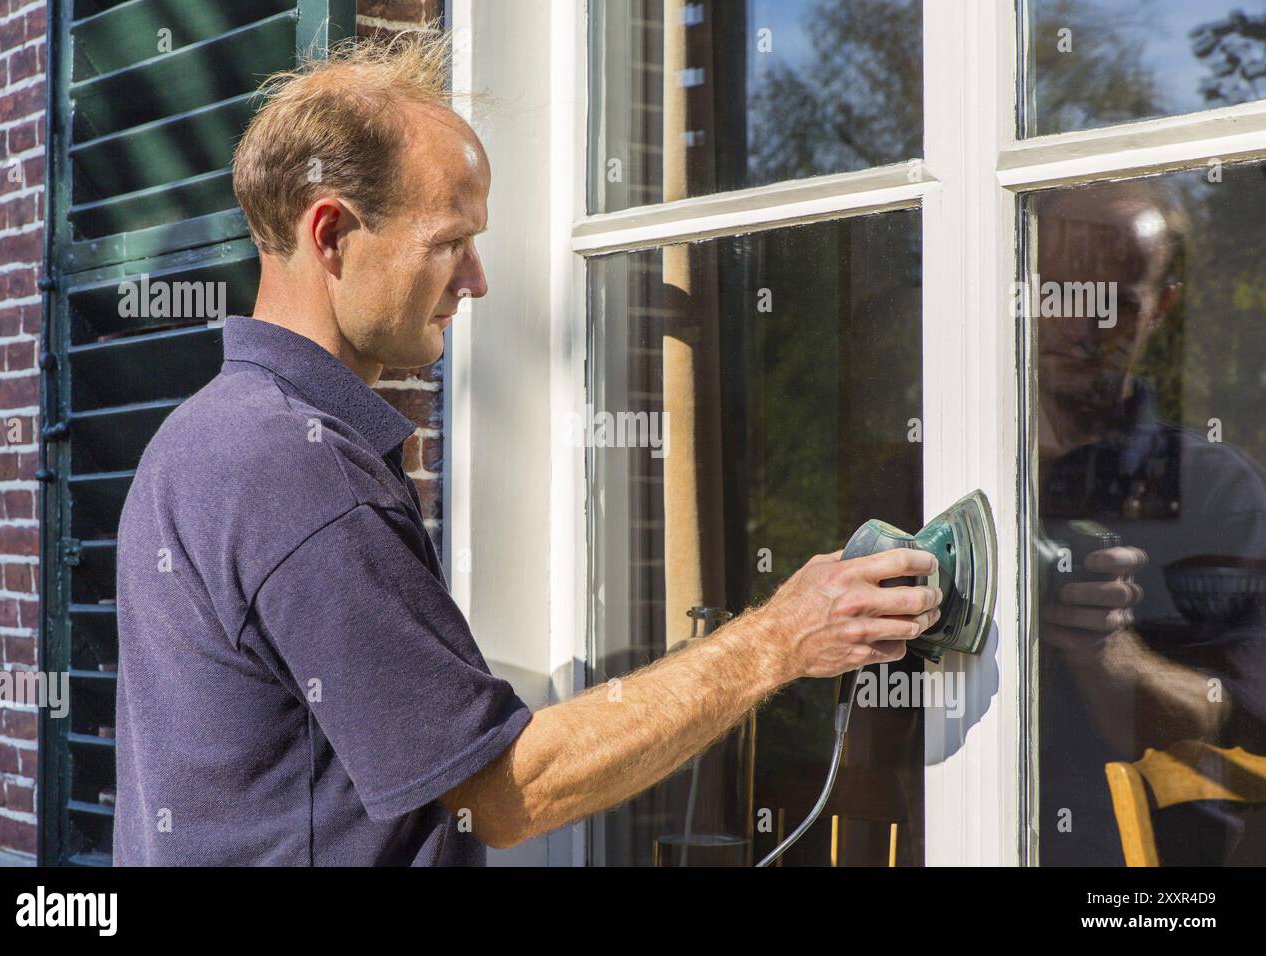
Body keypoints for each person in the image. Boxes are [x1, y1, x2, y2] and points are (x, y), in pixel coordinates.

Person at [112, 32, 943, 866]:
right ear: (331, 235)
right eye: (450, 242)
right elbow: (505, 793)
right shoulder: (297, 472)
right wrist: (780, 639)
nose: (476, 279)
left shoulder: (201, 437)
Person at [1035, 180, 1266, 865]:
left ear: (1160, 308)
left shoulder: (1218, 492)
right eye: (1060, 293)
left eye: (1115, 304)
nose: (1081, 328)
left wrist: (1111, 656)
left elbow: (1246, 723)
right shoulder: (950, 476)